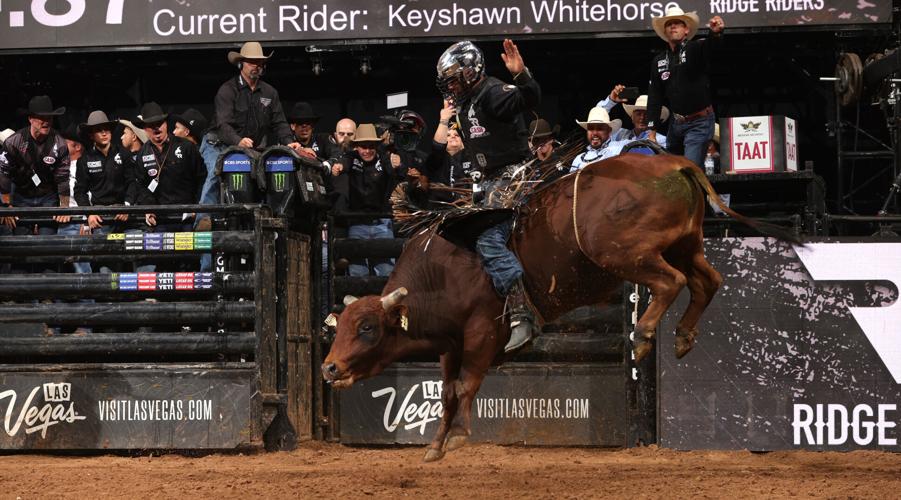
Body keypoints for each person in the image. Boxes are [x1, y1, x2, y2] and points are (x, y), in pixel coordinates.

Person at [435, 39, 541, 352]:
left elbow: (529, 98)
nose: (449, 86)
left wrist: (521, 75)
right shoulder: (466, 104)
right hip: (491, 181)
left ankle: (522, 313)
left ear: (469, 73)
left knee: (488, 240)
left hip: (514, 177)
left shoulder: (493, 92)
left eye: (453, 78)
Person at [646, 7, 725, 167]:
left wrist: (715, 34)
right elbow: (655, 96)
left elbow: (710, 49)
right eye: (669, 24)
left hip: (699, 122)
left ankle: (706, 192)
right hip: (676, 125)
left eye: (677, 23)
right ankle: (702, 191)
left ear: (686, 30)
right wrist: (651, 130)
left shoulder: (695, 48)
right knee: (673, 171)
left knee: (690, 168)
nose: (673, 26)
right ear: (665, 31)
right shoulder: (659, 61)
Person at [332, 124, 404, 277]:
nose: (367, 151)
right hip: (357, 223)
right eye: (363, 147)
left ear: (376, 146)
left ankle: (384, 301)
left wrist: (397, 165)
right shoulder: (351, 158)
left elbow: (395, 172)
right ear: (356, 147)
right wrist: (338, 167)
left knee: (386, 270)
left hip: (382, 222)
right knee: (357, 271)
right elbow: (344, 163)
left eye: (371, 146)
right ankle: (360, 301)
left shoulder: (384, 159)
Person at [0, 95, 71, 238]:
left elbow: (63, 179)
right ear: (30, 119)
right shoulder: (14, 142)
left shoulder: (60, 144)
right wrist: (6, 207)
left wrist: (64, 207)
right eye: (41, 118)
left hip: (48, 198)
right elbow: (4, 175)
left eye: (49, 118)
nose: (46, 122)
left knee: (47, 242)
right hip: (21, 197)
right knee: (21, 244)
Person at [211, 41, 301, 154]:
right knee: (214, 170)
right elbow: (223, 124)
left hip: (253, 148)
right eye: (251, 62)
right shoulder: (228, 90)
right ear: (240, 64)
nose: (256, 65)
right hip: (219, 145)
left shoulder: (270, 92)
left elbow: (279, 123)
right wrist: (238, 141)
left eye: (259, 62)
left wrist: (289, 142)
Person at [133, 102, 207, 237]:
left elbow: (202, 177)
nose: (156, 128)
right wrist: (148, 209)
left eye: (159, 123)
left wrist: (197, 207)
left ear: (166, 124)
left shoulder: (186, 147)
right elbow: (141, 186)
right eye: (151, 125)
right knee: (163, 257)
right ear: (144, 128)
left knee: (188, 256)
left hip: (187, 216)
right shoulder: (142, 154)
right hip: (161, 220)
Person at [75, 110, 136, 236]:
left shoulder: (124, 154)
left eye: (107, 129)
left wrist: (127, 206)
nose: (104, 133)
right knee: (103, 252)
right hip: (100, 215)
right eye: (99, 130)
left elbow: (132, 183)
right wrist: (89, 213)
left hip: (124, 211)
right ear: (91, 135)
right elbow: (80, 191)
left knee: (134, 250)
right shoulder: (84, 160)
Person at [570, 107, 622, 172]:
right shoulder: (578, 160)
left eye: (599, 128)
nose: (594, 133)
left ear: (609, 130)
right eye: (591, 128)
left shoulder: (619, 150)